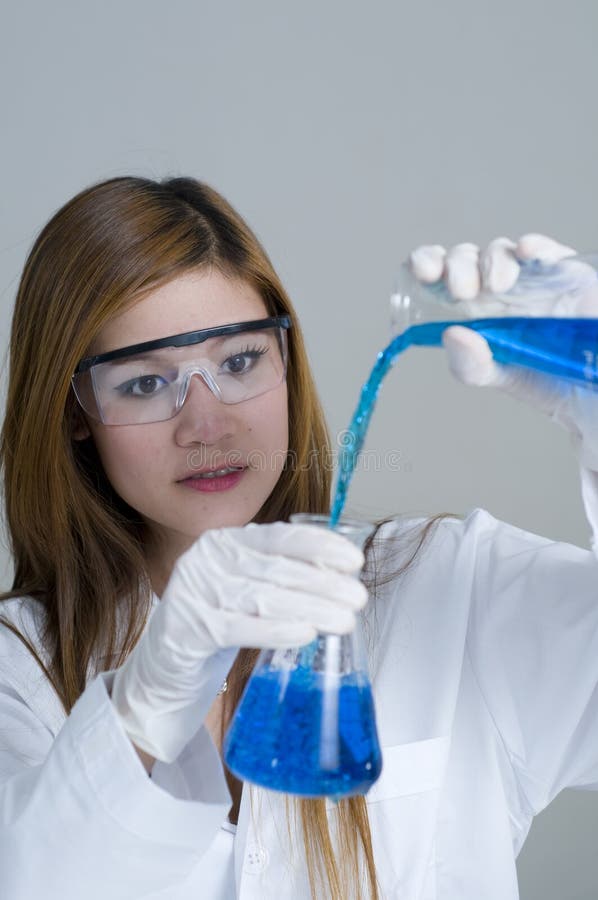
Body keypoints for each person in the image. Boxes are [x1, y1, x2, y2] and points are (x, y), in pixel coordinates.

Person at [0, 176, 597, 900]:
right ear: (75, 414)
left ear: (286, 362)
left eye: (239, 362)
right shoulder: (21, 670)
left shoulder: (454, 590)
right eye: (145, 385)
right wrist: (140, 708)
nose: (206, 425)